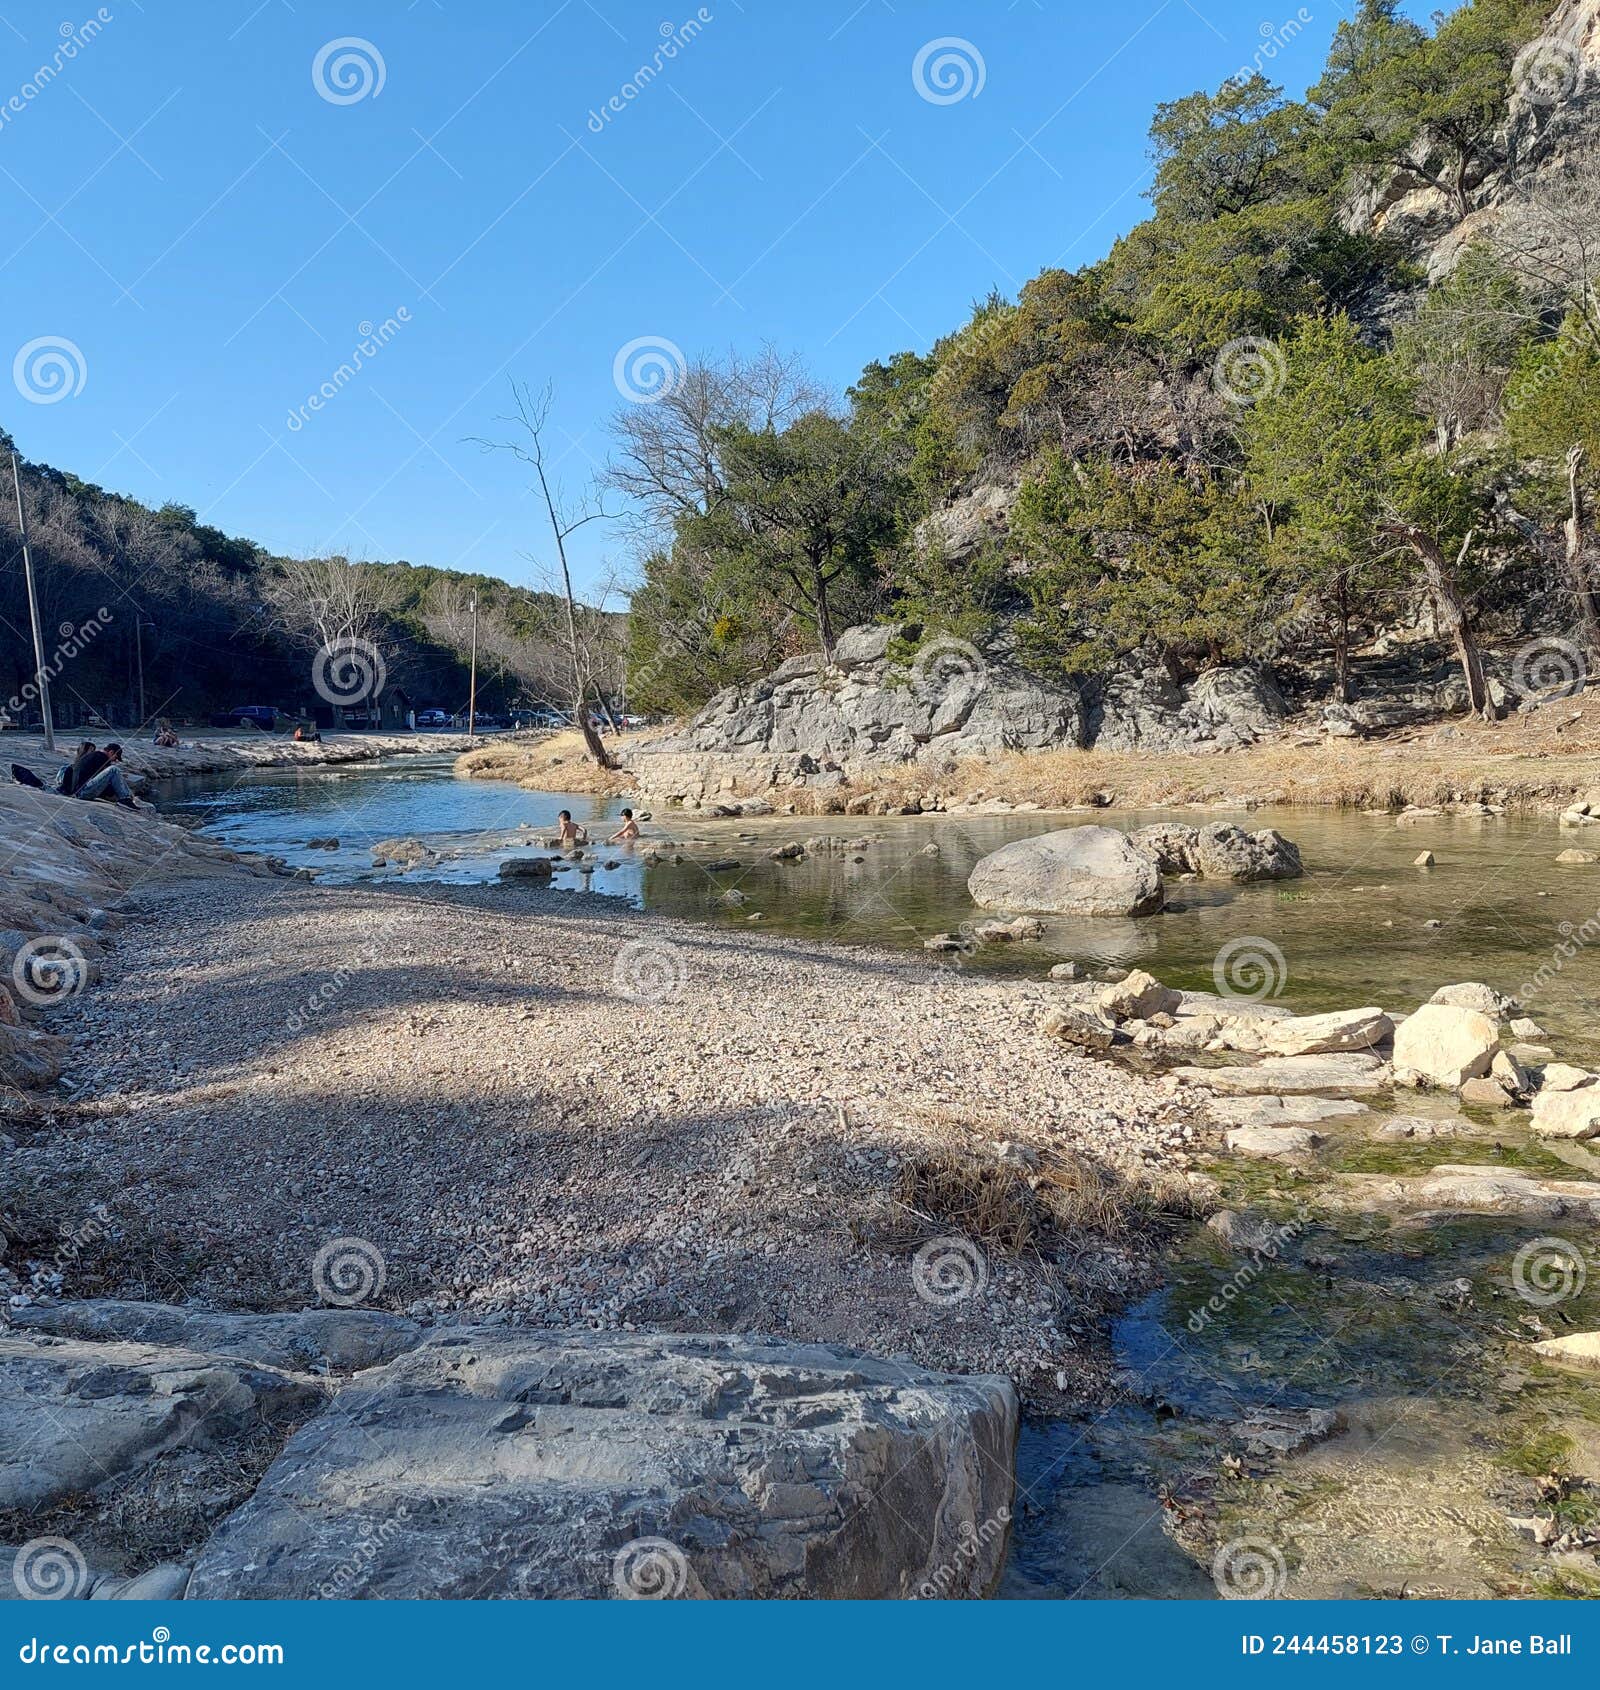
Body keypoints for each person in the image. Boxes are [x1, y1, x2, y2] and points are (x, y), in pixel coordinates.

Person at [74, 744, 145, 810]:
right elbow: (103, 782)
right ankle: (124, 799)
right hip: (84, 791)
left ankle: (128, 798)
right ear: (111, 752)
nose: (115, 760)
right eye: (116, 757)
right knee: (114, 769)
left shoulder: (95, 756)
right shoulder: (101, 757)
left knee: (114, 771)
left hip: (81, 791)